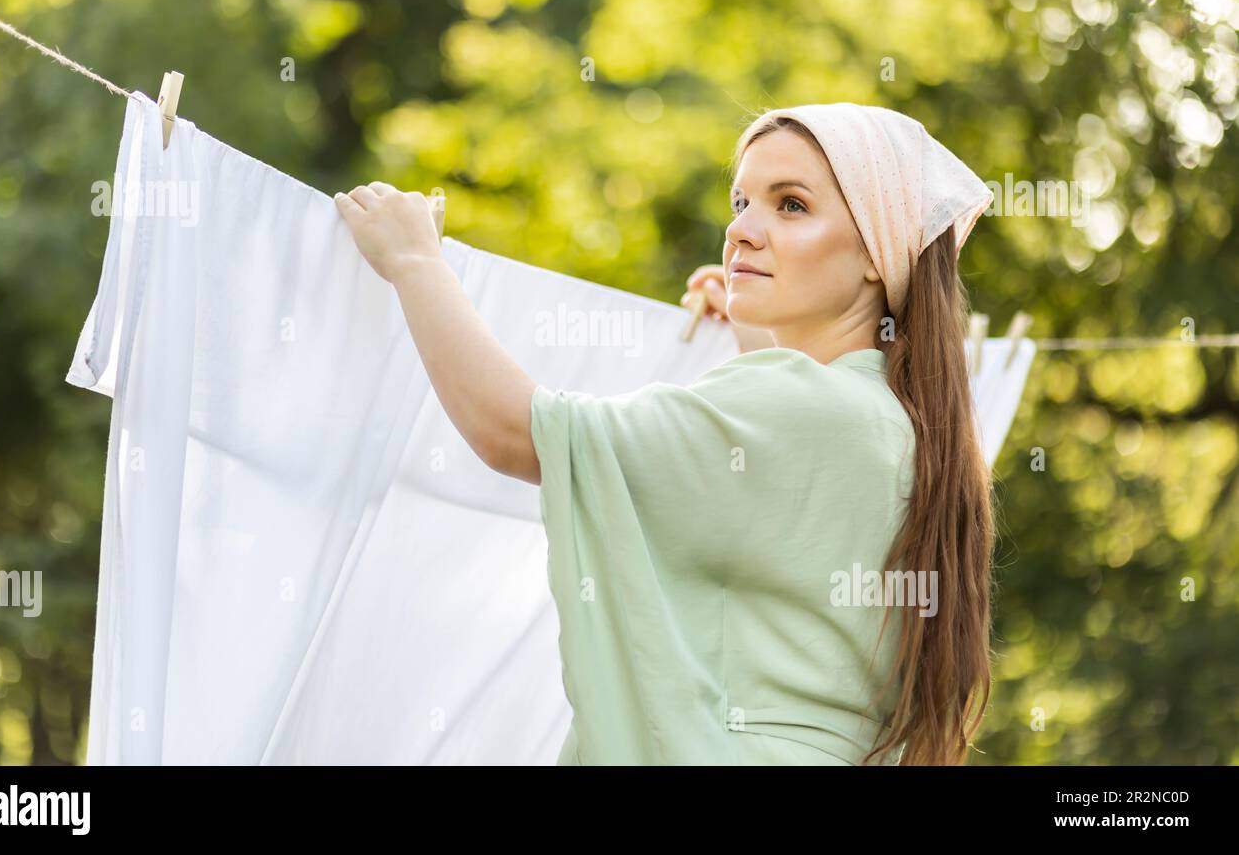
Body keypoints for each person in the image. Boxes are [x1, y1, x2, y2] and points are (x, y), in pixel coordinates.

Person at [334, 102, 996, 765]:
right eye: (741, 201)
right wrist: (752, 338)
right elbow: (773, 520)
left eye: (790, 205)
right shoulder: (898, 421)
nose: (742, 230)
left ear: (879, 256)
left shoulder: (802, 408)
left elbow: (516, 430)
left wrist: (416, 261)